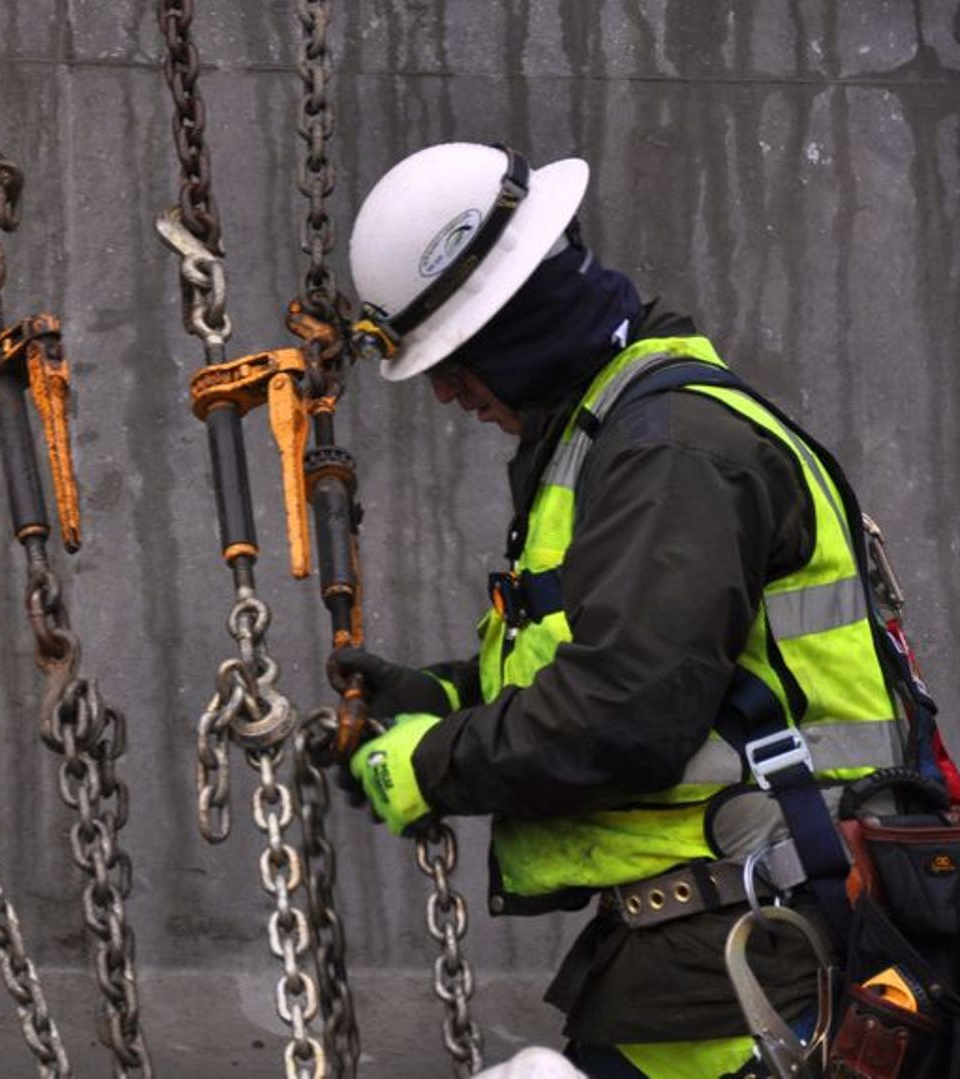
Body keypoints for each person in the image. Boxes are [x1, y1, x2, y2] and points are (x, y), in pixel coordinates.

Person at [335, 142, 912, 1078]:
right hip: (711, 952)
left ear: (516, 331)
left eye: (457, 360)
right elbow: (636, 662)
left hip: (756, 959)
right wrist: (438, 696)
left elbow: (628, 710)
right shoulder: (623, 436)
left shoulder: (672, 451)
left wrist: (433, 765)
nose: (448, 393)